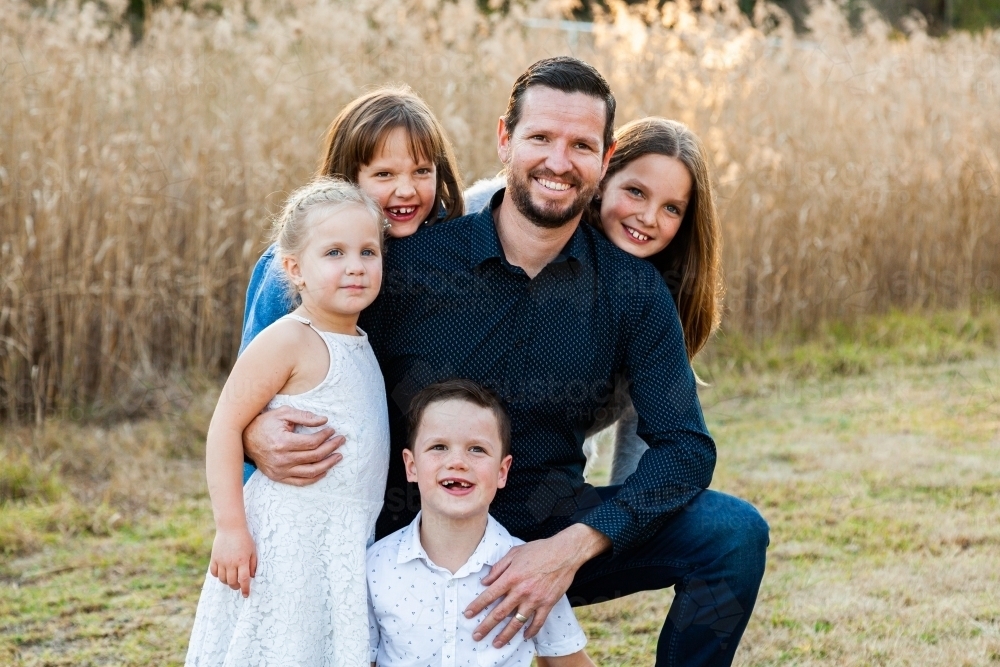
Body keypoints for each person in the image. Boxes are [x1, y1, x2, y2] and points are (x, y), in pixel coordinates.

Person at [244, 57, 769, 667]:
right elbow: (300, 296)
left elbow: (686, 449)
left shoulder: (631, 292)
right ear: (505, 139)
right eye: (540, 137)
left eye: (581, 145)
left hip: (550, 528)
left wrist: (569, 550)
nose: (558, 160)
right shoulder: (410, 266)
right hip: (413, 536)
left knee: (732, 534)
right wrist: (251, 430)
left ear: (604, 161)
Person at [185, 178, 390, 667]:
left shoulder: (360, 340)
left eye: (368, 252)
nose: (355, 267)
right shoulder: (289, 340)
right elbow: (224, 428)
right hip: (284, 545)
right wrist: (231, 529)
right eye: (334, 253)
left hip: (338, 544)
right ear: (295, 269)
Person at [465, 117, 724, 484]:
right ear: (603, 178)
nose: (648, 217)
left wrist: (620, 530)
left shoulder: (658, 297)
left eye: (672, 208)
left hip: (555, 483)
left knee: (728, 524)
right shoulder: (497, 210)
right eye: (635, 191)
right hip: (459, 464)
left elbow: (647, 438)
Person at [237, 85, 465, 485]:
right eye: (384, 174)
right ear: (348, 179)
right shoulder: (292, 268)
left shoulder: (453, 257)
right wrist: (251, 436)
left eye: (422, 171)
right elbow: (247, 391)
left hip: (404, 485)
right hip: (307, 484)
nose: (406, 189)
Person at [367, 379, 595, 667]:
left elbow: (568, 662)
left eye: (476, 449)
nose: (458, 462)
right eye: (439, 446)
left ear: (502, 471)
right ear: (411, 466)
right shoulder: (374, 566)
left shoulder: (533, 572)